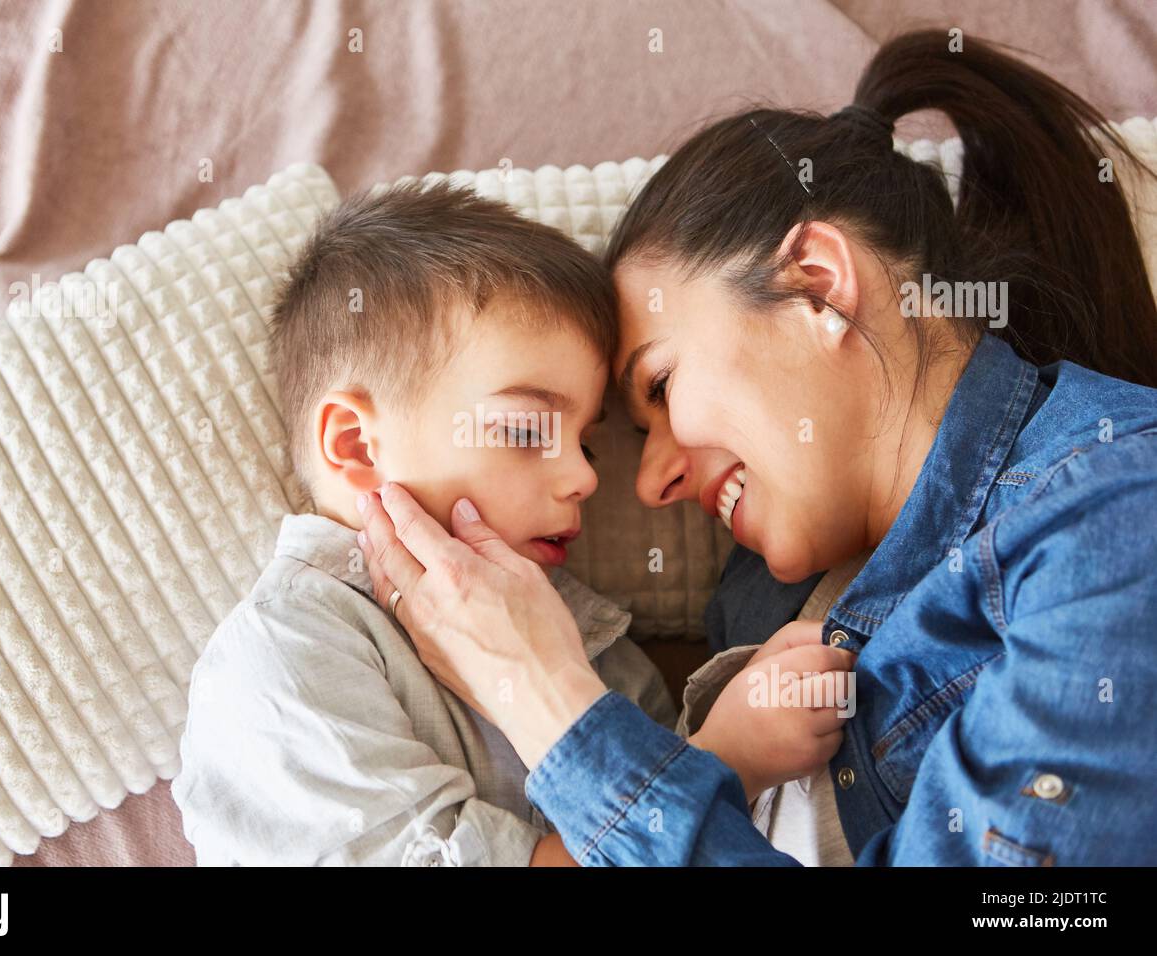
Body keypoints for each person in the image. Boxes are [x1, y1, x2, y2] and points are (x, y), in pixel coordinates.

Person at [356, 30, 1157, 865]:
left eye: (661, 384)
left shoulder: (1114, 514)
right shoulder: (764, 613)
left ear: (817, 286)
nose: (650, 484)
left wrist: (550, 705)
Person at [173, 181, 699, 866]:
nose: (584, 477)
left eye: (587, 444)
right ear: (357, 445)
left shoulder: (593, 646)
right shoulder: (284, 653)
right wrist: (732, 760)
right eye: (525, 429)